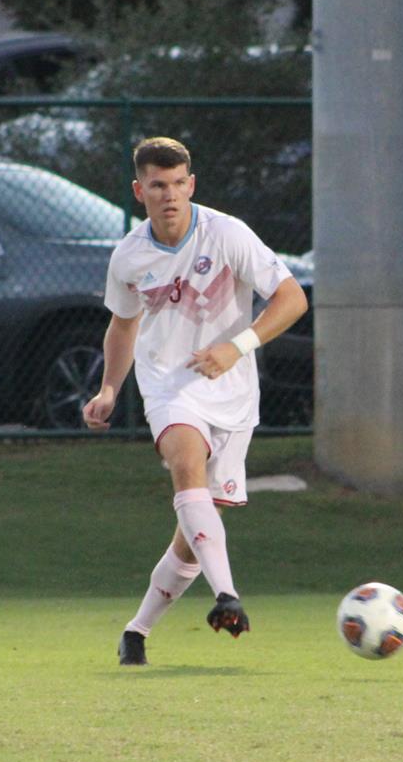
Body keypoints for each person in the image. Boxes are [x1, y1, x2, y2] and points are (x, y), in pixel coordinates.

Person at [83, 136, 309, 666]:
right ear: (139, 191)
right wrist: (110, 387)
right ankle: (227, 594)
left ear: (192, 185)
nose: (169, 195)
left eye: (178, 184)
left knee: (194, 530)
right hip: (168, 384)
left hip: (232, 391)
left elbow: (292, 298)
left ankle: (136, 631)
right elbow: (123, 325)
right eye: (157, 185)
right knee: (186, 464)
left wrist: (236, 347)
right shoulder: (129, 255)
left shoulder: (227, 234)